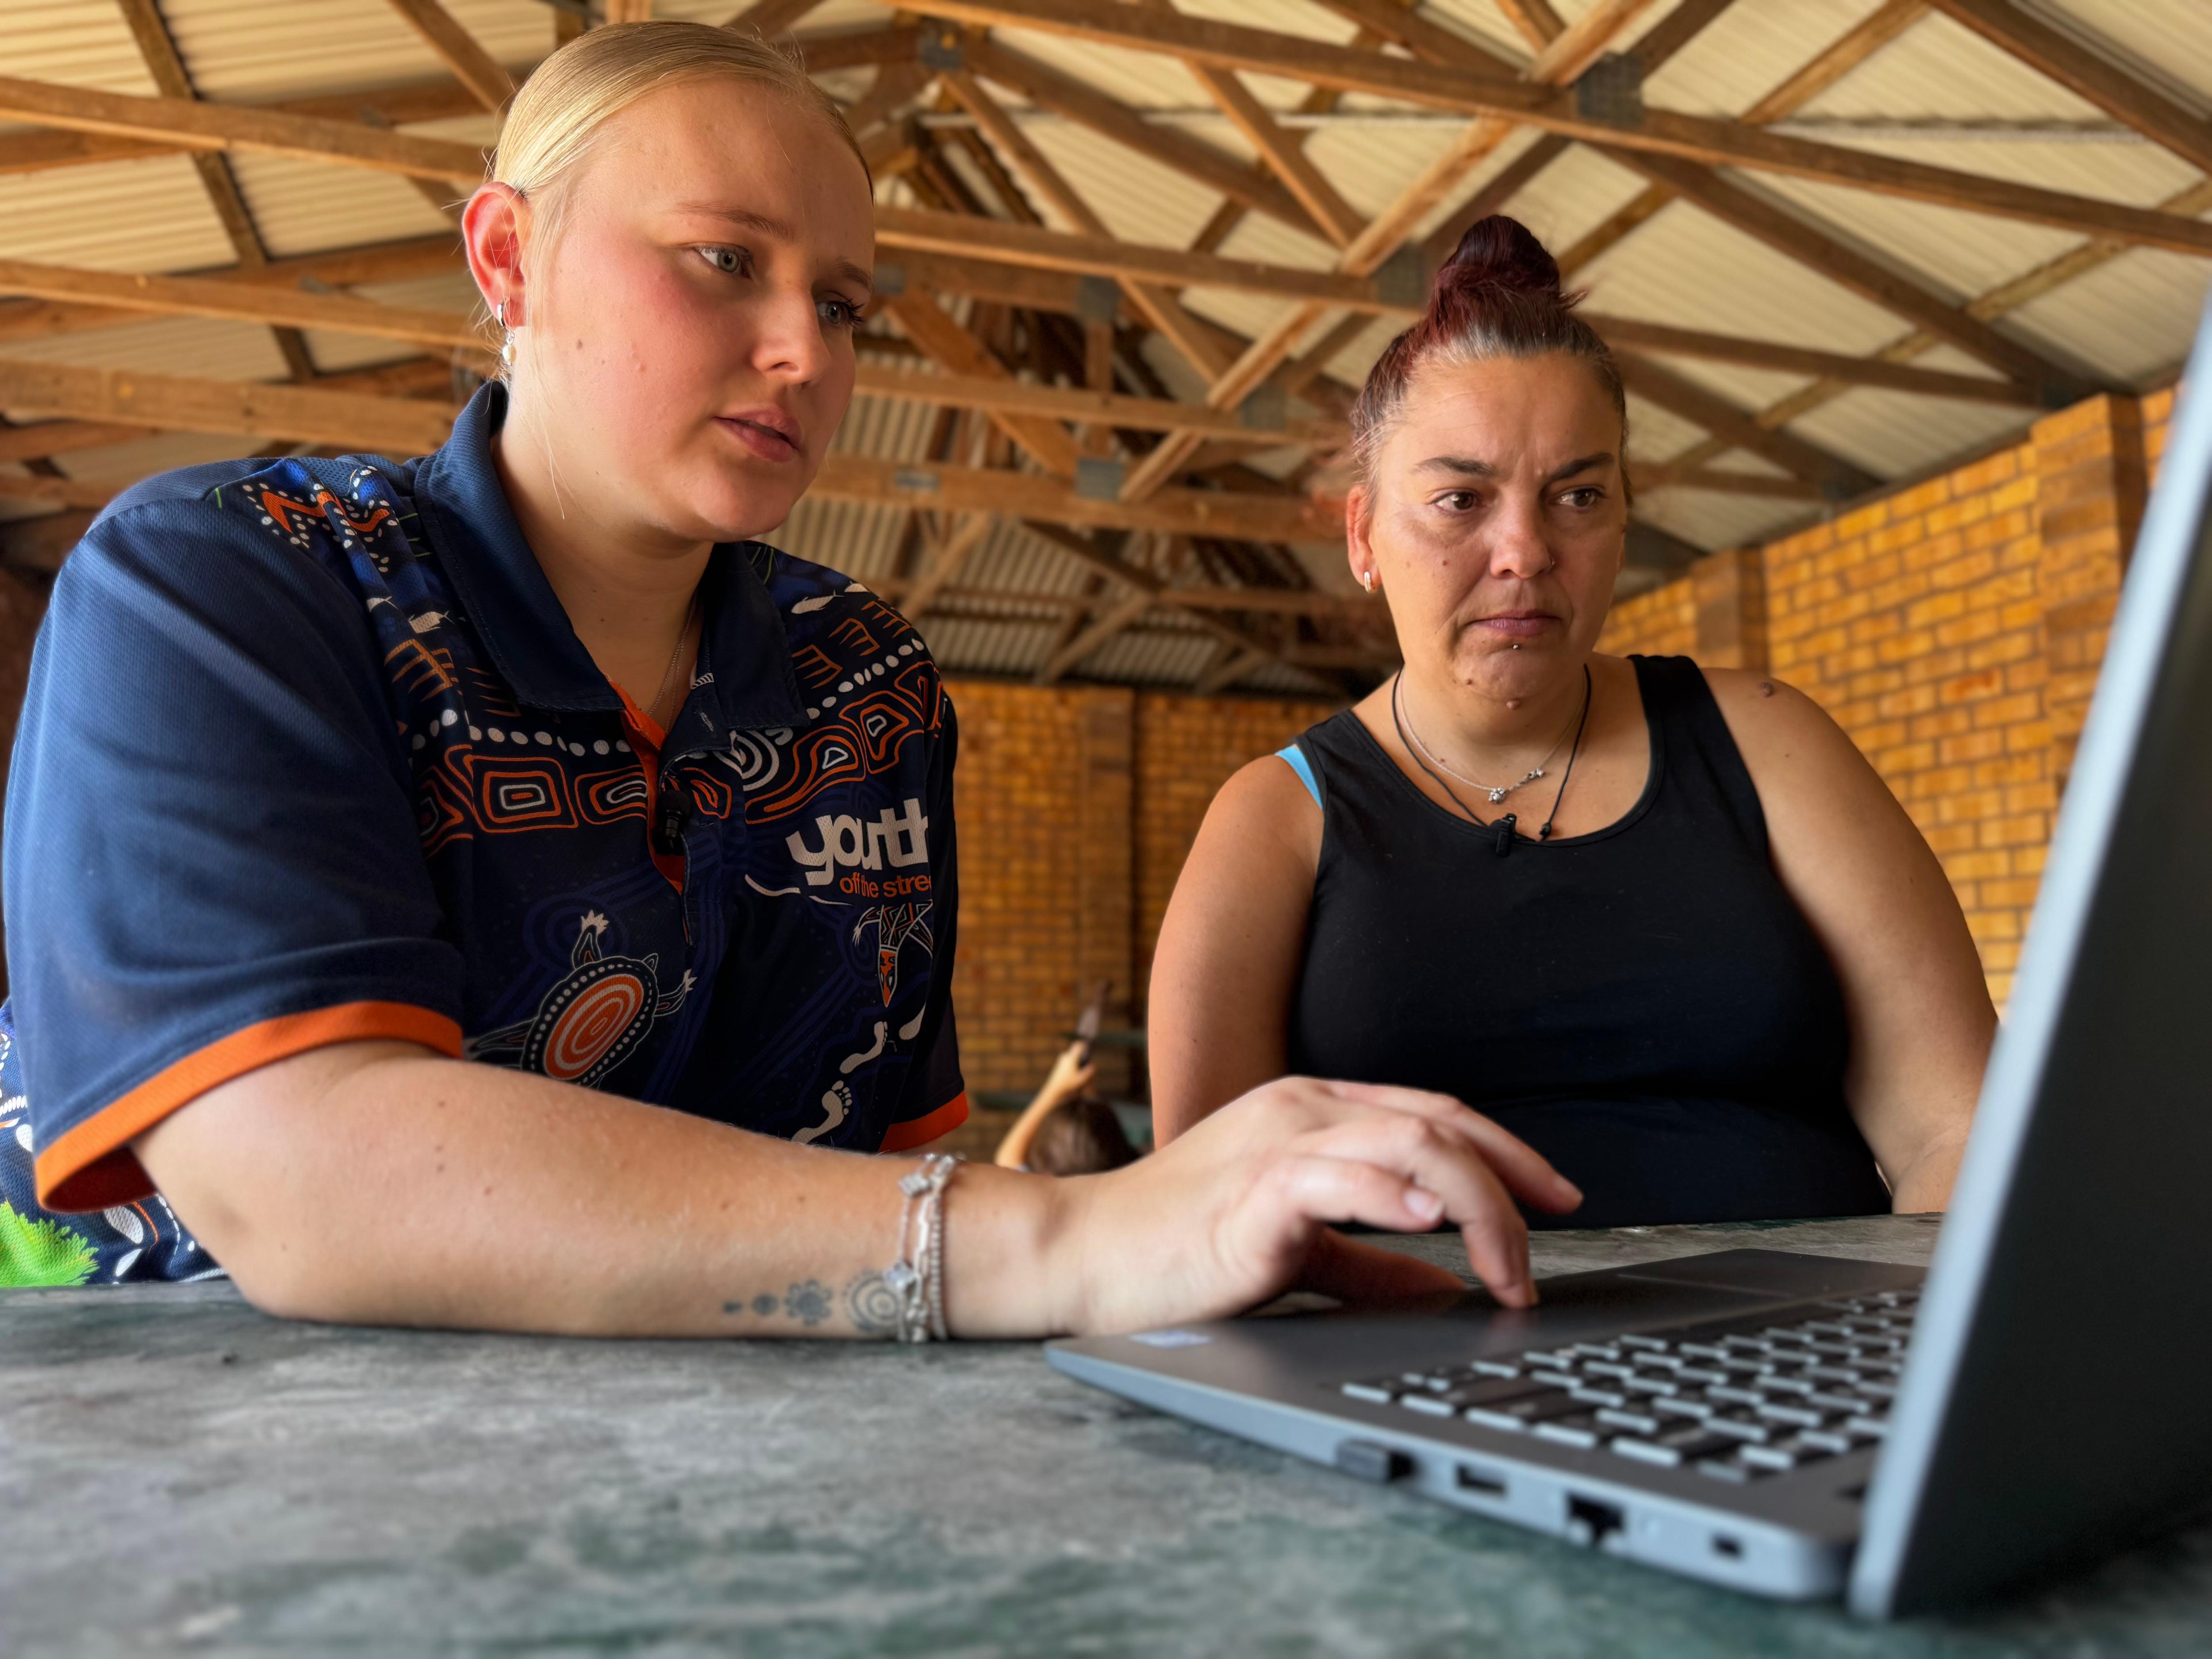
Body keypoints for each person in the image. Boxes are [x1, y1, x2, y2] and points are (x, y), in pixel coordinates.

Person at [0, 26, 1582, 1322]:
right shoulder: (231, 577)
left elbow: (874, 1170)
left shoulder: (862, 685)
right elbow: (306, 1180)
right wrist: (1077, 1238)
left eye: (839, 303)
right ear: (509, 255)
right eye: (720, 261)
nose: (807, 352)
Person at [1147, 217, 1993, 1229]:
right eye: (1461, 499)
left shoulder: (1769, 746)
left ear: (1623, 513)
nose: (1524, 551)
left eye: (1576, 495)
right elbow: (1201, 1223)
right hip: (1408, 1373)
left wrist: (1905, 1353)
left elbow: (1960, 1132)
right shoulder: (1274, 822)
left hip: (1792, 1355)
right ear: (1363, 534)